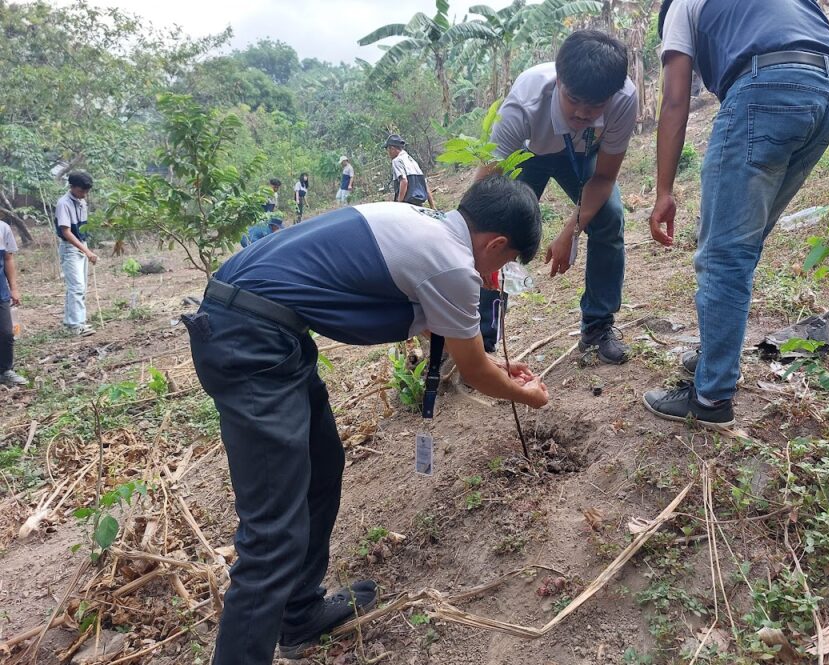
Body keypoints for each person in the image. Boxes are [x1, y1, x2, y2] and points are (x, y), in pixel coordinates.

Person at [181, 175, 548, 664]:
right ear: (497, 243)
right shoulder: (455, 266)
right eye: (503, 262)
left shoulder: (427, 225)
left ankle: (298, 615)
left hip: (266, 328)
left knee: (322, 466)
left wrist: (499, 368)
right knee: (272, 531)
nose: (494, 275)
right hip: (250, 339)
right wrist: (528, 396)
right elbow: (475, 371)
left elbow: (469, 352)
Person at [642, 0, 829, 427]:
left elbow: (676, 99)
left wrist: (663, 190)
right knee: (743, 242)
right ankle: (714, 352)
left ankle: (711, 400)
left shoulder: (680, 7)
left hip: (767, 87)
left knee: (723, 254)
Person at [477, 30, 638, 365]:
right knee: (493, 230)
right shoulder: (526, 100)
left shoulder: (623, 99)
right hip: (528, 154)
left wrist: (570, 231)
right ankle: (478, 339)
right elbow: (486, 179)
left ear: (612, 95)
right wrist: (467, 234)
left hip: (581, 155)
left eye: (594, 106)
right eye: (573, 99)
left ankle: (597, 328)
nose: (581, 113)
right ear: (559, 80)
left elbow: (605, 176)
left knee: (608, 216)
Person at [55, 171, 98, 336]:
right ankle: (76, 325)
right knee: (77, 287)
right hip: (70, 248)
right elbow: (66, 232)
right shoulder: (63, 204)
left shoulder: (82, 203)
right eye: (82, 191)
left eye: (86, 191)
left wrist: (86, 248)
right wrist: (86, 250)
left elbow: (82, 228)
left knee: (80, 287)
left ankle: (72, 321)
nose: (84, 195)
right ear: (72, 187)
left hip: (81, 245)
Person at [0, 219, 27, 386]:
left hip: (1, 290)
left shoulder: (3, 228)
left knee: (7, 333)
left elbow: (8, 259)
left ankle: (5, 370)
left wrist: (14, 288)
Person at [384, 135, 435, 208]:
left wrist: (399, 204)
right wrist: (432, 206)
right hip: (418, 204)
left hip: (407, 205)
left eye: (388, 150)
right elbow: (424, 183)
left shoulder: (397, 161)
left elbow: (404, 181)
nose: (388, 153)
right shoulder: (411, 160)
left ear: (392, 148)